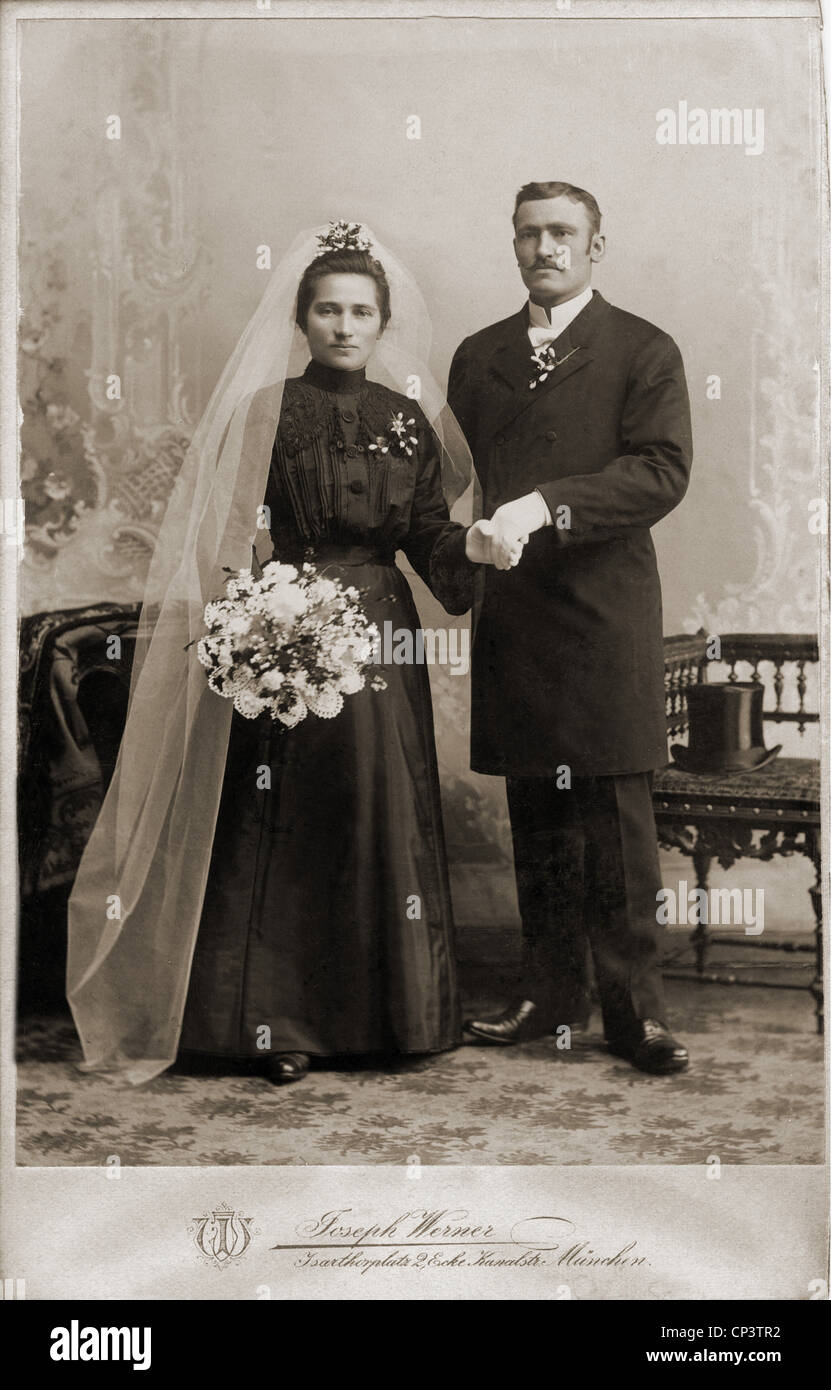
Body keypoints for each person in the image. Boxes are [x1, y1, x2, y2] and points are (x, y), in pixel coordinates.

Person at [66, 223, 508, 1087]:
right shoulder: (265, 409)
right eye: (328, 310)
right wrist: (255, 625)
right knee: (286, 823)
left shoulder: (405, 418)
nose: (344, 327)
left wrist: (475, 551)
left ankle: (392, 1020)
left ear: (382, 325)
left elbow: (425, 535)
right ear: (301, 319)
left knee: (374, 812)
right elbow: (226, 534)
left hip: (383, 635)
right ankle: (272, 1027)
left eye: (361, 313)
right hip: (286, 634)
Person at [447, 181, 693, 1075]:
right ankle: (546, 998)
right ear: (513, 245)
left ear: (596, 245)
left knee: (617, 826)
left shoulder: (642, 349)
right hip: (517, 614)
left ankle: (638, 1017)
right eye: (528, 234)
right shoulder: (478, 356)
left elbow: (661, 473)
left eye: (562, 233)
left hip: (603, 613)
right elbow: (459, 481)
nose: (543, 247)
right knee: (537, 816)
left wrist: (548, 504)